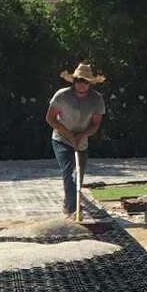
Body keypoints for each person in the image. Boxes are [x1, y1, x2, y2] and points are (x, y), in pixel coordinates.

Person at [45, 62, 106, 217]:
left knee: (78, 174)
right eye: (79, 80)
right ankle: (72, 209)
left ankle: (71, 202)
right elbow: (50, 119)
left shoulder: (96, 99)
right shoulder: (62, 95)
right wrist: (69, 135)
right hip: (61, 139)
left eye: (85, 81)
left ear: (90, 83)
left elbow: (95, 124)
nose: (81, 84)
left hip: (82, 141)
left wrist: (82, 135)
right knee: (69, 169)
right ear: (74, 80)